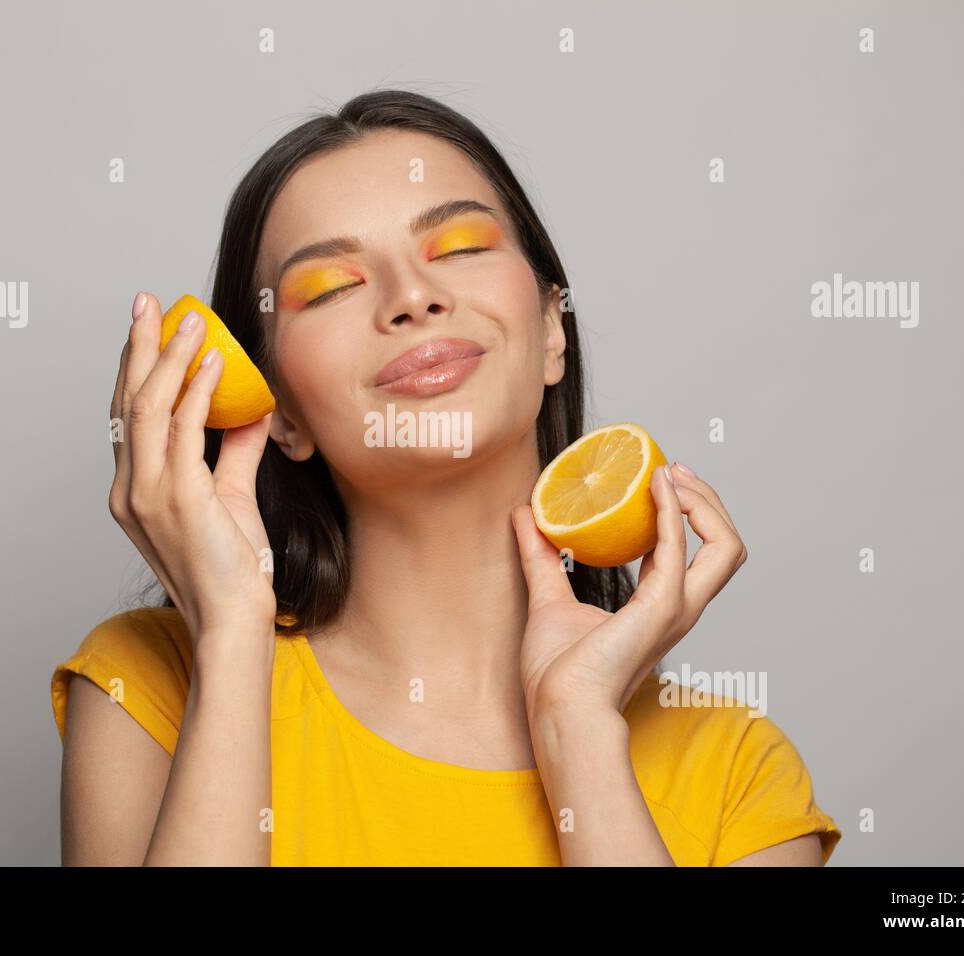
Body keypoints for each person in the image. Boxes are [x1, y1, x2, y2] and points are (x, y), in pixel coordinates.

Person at [51, 89, 841, 866]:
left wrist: (578, 727)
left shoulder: (740, 776)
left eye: (461, 247)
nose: (412, 299)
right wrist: (228, 635)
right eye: (330, 286)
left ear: (548, 329)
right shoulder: (151, 686)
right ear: (278, 408)